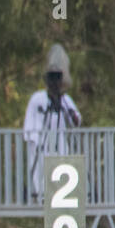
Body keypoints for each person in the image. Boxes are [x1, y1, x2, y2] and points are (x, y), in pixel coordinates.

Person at [24, 43, 82, 199]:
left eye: (57, 78)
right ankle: (39, 191)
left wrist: (66, 108)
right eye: (52, 78)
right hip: (41, 142)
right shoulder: (37, 98)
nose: (54, 82)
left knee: (62, 163)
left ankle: (62, 191)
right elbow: (29, 124)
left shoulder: (65, 100)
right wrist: (33, 141)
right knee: (40, 167)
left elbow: (76, 120)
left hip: (60, 140)